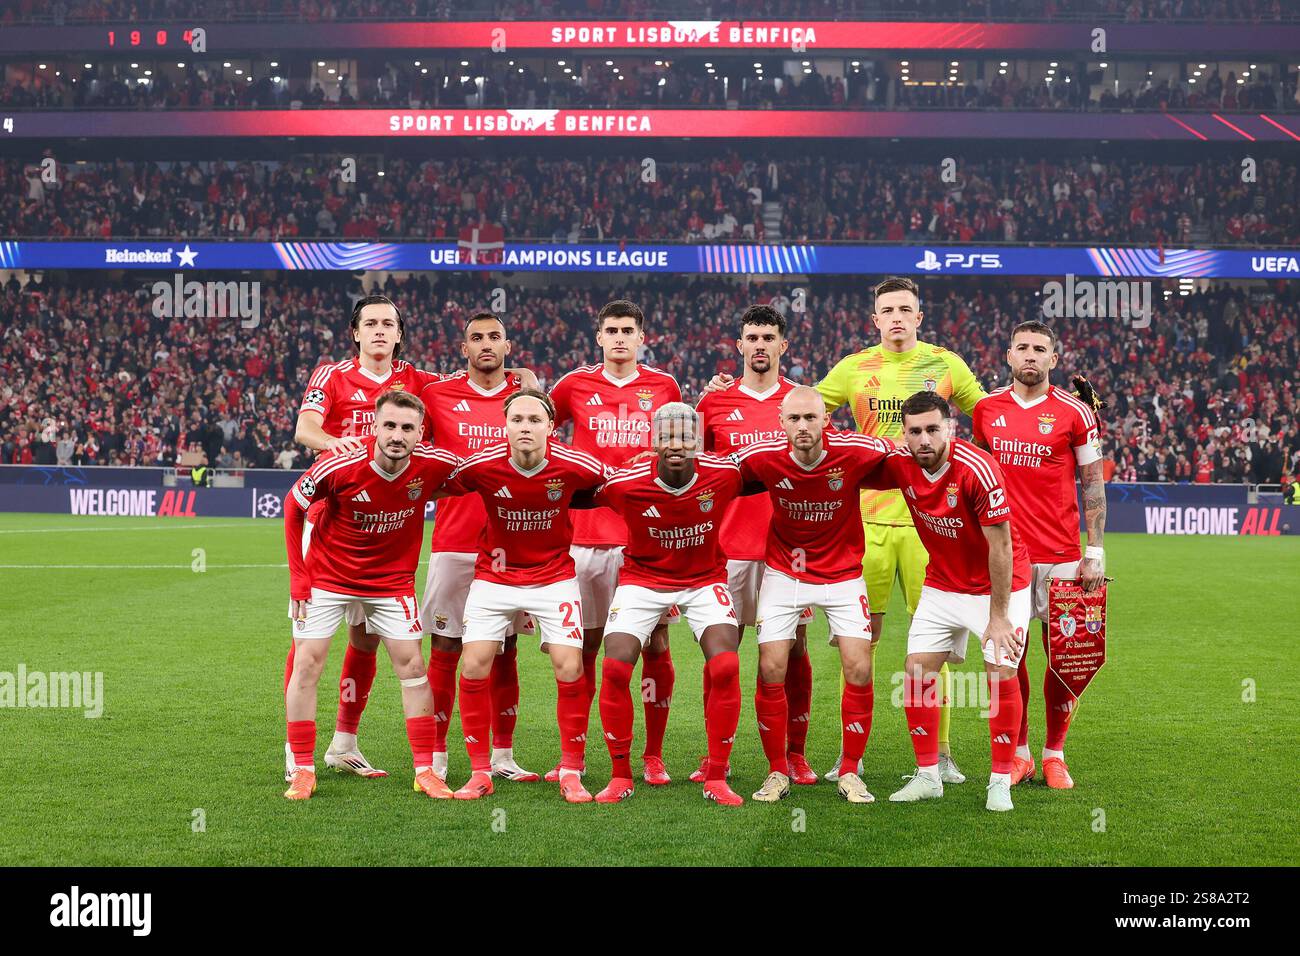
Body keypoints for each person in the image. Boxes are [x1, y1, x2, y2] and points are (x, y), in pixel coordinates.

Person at [289, 292, 537, 781]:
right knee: (308, 648)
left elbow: (475, 382)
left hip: (387, 527)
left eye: (388, 323)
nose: (380, 331)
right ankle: (297, 756)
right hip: (329, 515)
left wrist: (523, 378)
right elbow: (306, 429)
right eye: (370, 323)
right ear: (355, 332)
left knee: (366, 638)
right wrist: (347, 447)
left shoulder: (419, 381)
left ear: (399, 334)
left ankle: (344, 743)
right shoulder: (331, 374)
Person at [282, 391, 460, 801]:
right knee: (307, 663)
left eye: (407, 428)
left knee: (413, 665)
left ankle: (425, 770)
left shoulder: (434, 464)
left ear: (420, 433)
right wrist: (298, 578)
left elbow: (480, 476)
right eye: (390, 426)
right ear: (375, 427)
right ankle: (303, 769)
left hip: (391, 582)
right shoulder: (340, 462)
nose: (397, 435)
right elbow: (293, 506)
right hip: (328, 576)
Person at [862, 391, 1029, 812]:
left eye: (933, 429)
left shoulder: (977, 469)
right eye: (915, 431)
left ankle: (999, 782)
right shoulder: (901, 465)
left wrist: (998, 618)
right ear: (904, 434)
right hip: (942, 583)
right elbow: (851, 464)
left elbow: (1002, 547)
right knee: (916, 670)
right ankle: (928, 776)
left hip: (999, 586)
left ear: (950, 429)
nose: (924, 439)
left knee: (999, 672)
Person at [441, 389, 608, 804]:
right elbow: (437, 483)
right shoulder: (481, 466)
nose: (526, 427)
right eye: (517, 420)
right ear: (506, 425)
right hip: (494, 579)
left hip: (554, 578)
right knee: (475, 663)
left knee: (570, 666)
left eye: (535, 420)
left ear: (551, 426)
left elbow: (610, 485)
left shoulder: (574, 464)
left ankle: (571, 770)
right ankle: (481, 771)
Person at [577, 403, 746, 806]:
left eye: (685, 436)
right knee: (615, 666)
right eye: (667, 436)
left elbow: (771, 473)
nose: (676, 445)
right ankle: (620, 775)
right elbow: (572, 494)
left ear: (698, 441)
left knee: (726, 664)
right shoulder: (625, 482)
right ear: (653, 441)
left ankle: (717, 777)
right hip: (642, 580)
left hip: (704, 579)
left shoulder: (725, 474)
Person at [735, 387, 894, 804]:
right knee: (771, 666)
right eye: (794, 419)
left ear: (827, 419)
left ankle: (850, 772)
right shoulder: (762, 456)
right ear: (781, 422)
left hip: (842, 574)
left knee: (858, 667)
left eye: (811, 418)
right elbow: (719, 472)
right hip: (785, 573)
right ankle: (775, 772)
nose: (802, 427)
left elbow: (903, 454)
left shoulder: (857, 450)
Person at [548, 299, 682, 784]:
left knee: (656, 643)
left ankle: (653, 756)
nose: (621, 337)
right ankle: (575, 757)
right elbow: (543, 430)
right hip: (583, 537)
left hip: (644, 536)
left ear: (642, 337)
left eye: (629, 329)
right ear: (599, 337)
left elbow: (682, 451)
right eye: (612, 330)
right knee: (583, 646)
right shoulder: (571, 385)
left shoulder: (664, 386)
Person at [971, 321, 1107, 789]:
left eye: (1040, 349)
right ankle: (1020, 754)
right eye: (1022, 348)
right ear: (1009, 355)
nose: (1030, 356)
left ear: (1054, 358)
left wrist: (1096, 550)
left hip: (1064, 555)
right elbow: (976, 481)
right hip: (1008, 556)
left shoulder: (1076, 412)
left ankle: (1055, 752)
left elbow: (1092, 482)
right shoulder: (987, 409)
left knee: (1064, 658)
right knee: (1010, 658)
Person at [695, 304, 817, 785]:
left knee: (793, 651)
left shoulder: (801, 401)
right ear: (739, 345)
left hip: (788, 551)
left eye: (770, 337)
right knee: (721, 654)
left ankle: (795, 753)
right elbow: (695, 473)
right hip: (726, 548)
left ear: (783, 346)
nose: (761, 345)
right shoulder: (713, 405)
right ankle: (713, 754)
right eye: (753, 337)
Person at [417, 312, 534, 783]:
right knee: (445, 645)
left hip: (512, 546)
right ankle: (438, 754)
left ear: (508, 346)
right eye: (476, 338)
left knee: (505, 650)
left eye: (494, 337)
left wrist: (533, 385)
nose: (485, 344)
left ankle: (502, 756)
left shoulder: (526, 399)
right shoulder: (436, 395)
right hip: (454, 544)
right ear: (463, 348)